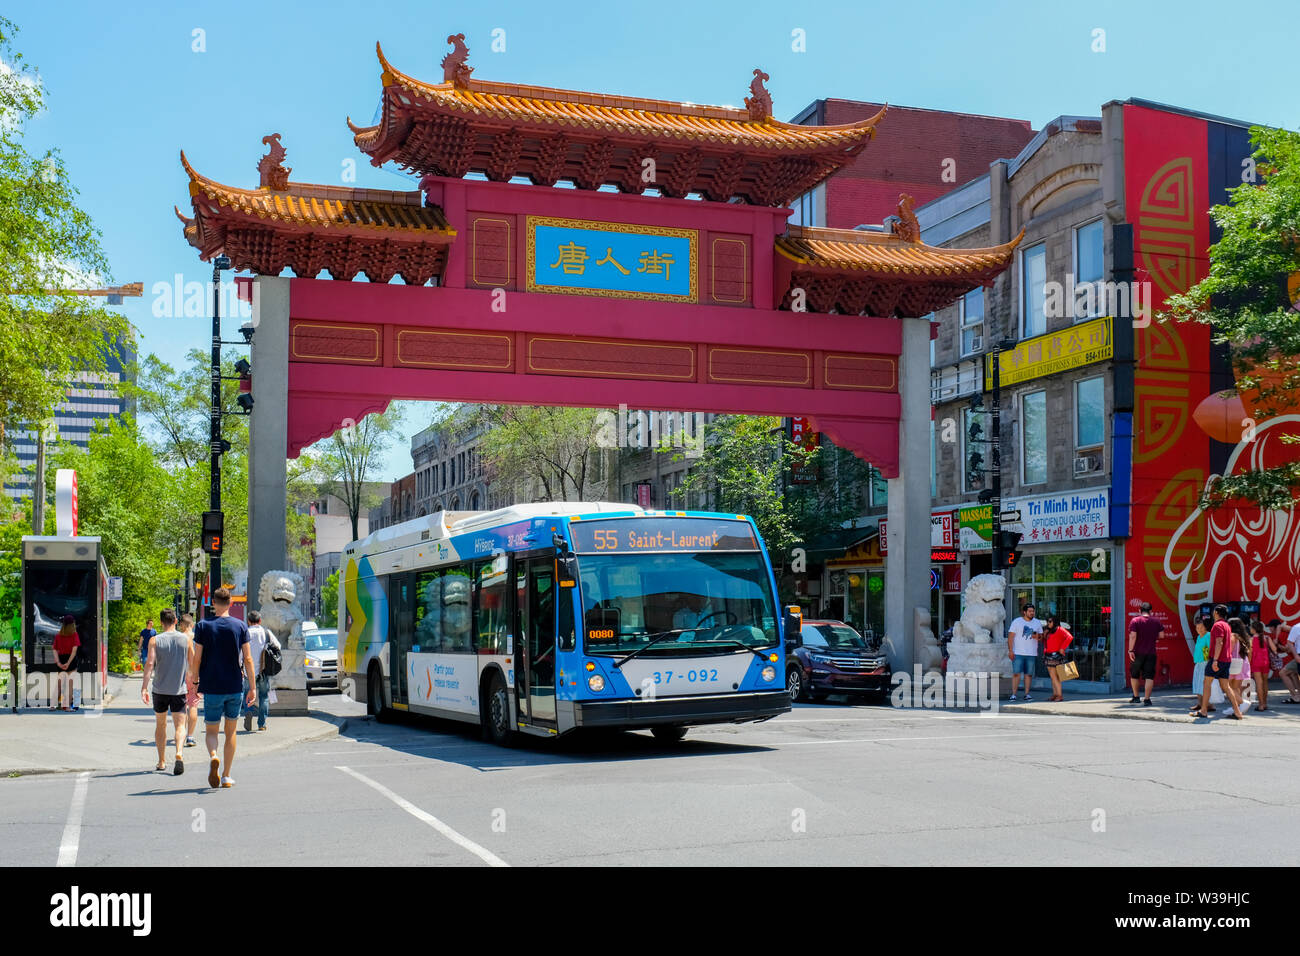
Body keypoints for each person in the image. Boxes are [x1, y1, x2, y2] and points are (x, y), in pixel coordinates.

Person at [188, 589, 256, 789]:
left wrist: (195, 680)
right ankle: (226, 776)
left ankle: (213, 755)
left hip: (212, 686)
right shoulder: (240, 626)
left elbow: (197, 658)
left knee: (211, 730)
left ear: (213, 603)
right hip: (234, 685)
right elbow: (249, 659)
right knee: (231, 731)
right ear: (231, 602)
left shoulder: (202, 626)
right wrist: (252, 687)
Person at [140, 608, 191, 775]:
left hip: (160, 690)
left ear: (161, 622)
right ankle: (179, 752)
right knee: (180, 725)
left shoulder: (154, 640)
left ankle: (161, 761)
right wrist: (195, 685)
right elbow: (193, 665)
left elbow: (149, 664)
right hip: (179, 689)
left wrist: (144, 687)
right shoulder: (185, 640)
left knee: (160, 724)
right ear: (176, 621)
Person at [1195, 605, 1243, 720]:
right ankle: (1237, 712)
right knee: (1226, 686)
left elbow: (1219, 642)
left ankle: (1204, 710)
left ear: (1216, 612)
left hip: (1218, 659)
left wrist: (1215, 660)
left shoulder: (1217, 625)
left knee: (1206, 683)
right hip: (1226, 659)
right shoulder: (1226, 625)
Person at [242, 610, 280, 732]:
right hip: (263, 670)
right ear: (260, 621)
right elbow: (277, 646)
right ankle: (262, 723)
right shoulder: (266, 633)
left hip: (248, 671)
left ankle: (248, 712)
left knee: (247, 694)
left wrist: (240, 667)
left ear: (248, 621)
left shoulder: (245, 632)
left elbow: (239, 652)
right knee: (264, 696)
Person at [1126, 601, 1163, 705]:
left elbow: (1133, 636)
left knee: (1134, 675)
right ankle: (1147, 699)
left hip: (1137, 653)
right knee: (1149, 677)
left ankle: (1136, 697)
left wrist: (1130, 650)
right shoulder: (1156, 621)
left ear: (1139, 611)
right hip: (1151, 653)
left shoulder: (1135, 620)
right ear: (1151, 611)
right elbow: (1162, 635)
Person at [1005, 603, 1043, 701]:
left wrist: (1035, 635)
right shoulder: (1017, 622)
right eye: (1030, 611)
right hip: (1018, 652)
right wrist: (1010, 650)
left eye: (1033, 611)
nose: (1032, 613)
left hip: (1031, 653)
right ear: (1024, 612)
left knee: (1028, 674)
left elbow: (1041, 637)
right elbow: (1010, 637)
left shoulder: (1037, 622)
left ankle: (1027, 694)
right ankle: (1013, 694)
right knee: (1016, 673)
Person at [178, 612, 201, 747]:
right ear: (191, 625)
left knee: (182, 705)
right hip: (192, 674)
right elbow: (194, 658)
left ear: (181, 625)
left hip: (179, 675)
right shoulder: (196, 638)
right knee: (193, 704)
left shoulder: (177, 637)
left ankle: (180, 732)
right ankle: (190, 736)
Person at [51, 615, 81, 711]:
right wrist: (68, 663)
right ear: (72, 624)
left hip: (61, 658)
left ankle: (52, 706)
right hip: (71, 661)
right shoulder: (74, 635)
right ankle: (67, 706)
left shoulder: (58, 636)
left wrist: (58, 662)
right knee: (70, 685)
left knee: (59, 684)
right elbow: (74, 650)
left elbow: (54, 649)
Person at [1042, 614, 1073, 702]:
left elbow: (1069, 637)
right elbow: (1045, 641)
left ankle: (1059, 695)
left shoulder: (1059, 629)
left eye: (1050, 621)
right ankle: (1055, 694)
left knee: (1055, 676)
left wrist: (1062, 648)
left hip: (1055, 656)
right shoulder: (1048, 631)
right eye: (1047, 621)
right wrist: (1043, 635)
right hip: (1048, 655)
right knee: (1053, 677)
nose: (1048, 623)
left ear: (1055, 621)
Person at [1189, 616, 1214, 714]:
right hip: (1198, 663)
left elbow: (1210, 649)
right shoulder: (1199, 637)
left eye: (1201, 627)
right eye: (1197, 628)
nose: (1198, 630)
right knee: (1197, 684)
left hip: (1205, 663)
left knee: (1203, 684)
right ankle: (1200, 703)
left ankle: (1207, 704)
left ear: (1205, 627)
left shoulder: (1208, 635)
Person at [1227, 617, 1252, 710]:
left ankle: (1242, 703)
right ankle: (1236, 708)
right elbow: (1249, 652)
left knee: (1227, 686)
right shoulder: (1244, 636)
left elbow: (1228, 651)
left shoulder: (1232, 636)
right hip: (1242, 663)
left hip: (1233, 663)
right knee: (1236, 687)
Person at [1249, 620, 1273, 711]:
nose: (1250, 629)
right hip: (1265, 662)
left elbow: (1250, 654)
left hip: (1256, 663)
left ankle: (1261, 705)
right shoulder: (1267, 638)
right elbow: (1274, 649)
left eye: (1251, 627)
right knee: (1265, 683)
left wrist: (1248, 665)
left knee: (1259, 683)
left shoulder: (1251, 640)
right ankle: (1265, 703)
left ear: (1254, 629)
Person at [1278, 620, 1300, 704]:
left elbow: (1289, 643)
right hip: (1298, 655)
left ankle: (1296, 696)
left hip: (1298, 655)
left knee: (1286, 673)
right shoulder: (1296, 628)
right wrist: (1296, 655)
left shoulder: (1296, 628)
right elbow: (1290, 642)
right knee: (1288, 672)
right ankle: (1296, 695)